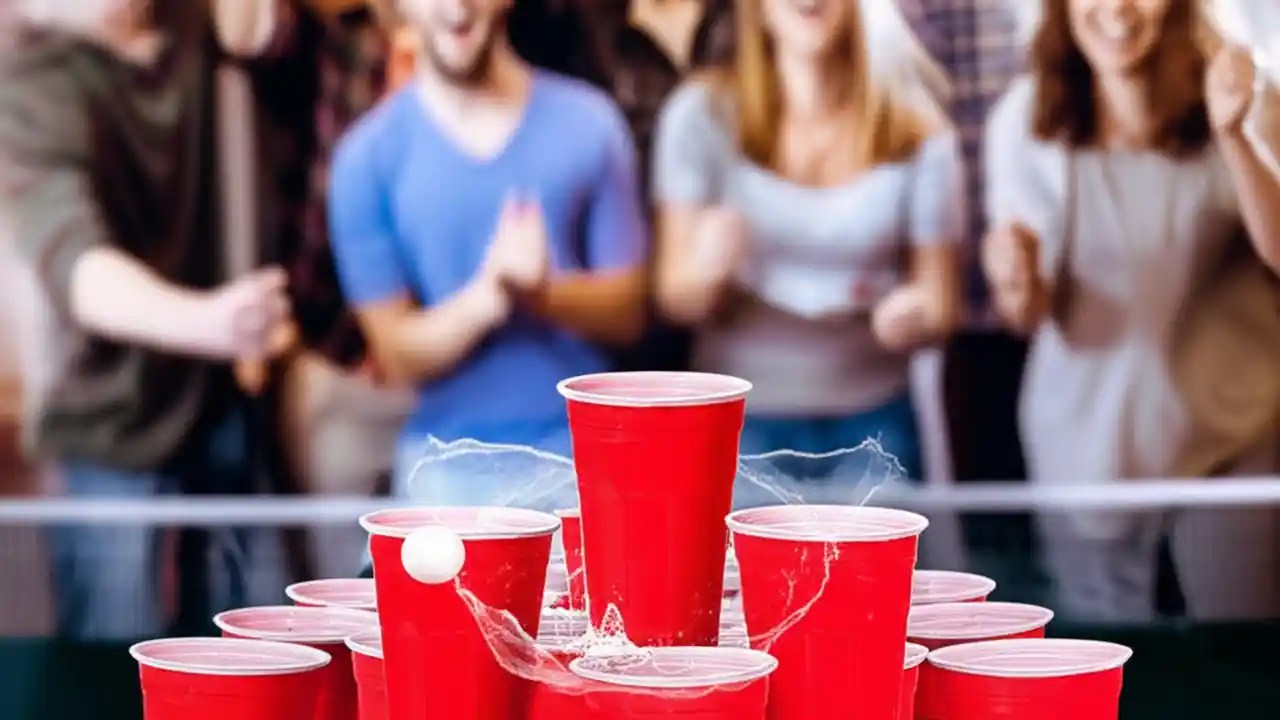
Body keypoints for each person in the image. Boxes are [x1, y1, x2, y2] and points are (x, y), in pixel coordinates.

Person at [0, 0, 295, 639]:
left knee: (257, 649)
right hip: (107, 422)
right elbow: (78, 268)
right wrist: (213, 324)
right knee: (117, 664)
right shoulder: (30, 77)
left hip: (229, 406)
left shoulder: (192, 21)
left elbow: (274, 37)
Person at [984, 0, 1280, 621]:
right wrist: (1015, 284)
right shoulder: (1025, 120)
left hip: (1233, 447)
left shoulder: (1247, 95)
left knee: (1238, 663)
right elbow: (1028, 313)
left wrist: (1237, 138)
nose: (1115, 8)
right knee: (1104, 670)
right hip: (1089, 448)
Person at [328, 0, 648, 503]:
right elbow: (396, 352)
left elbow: (631, 309)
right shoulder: (365, 161)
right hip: (444, 467)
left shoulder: (591, 125)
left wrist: (542, 294)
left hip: (586, 457)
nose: (456, 6)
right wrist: (489, 297)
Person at [652, 0, 964, 486]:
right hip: (738, 426)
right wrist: (707, 274)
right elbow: (674, 296)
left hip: (876, 426)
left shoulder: (918, 130)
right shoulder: (699, 117)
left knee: (872, 563)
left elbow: (941, 305)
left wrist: (913, 314)